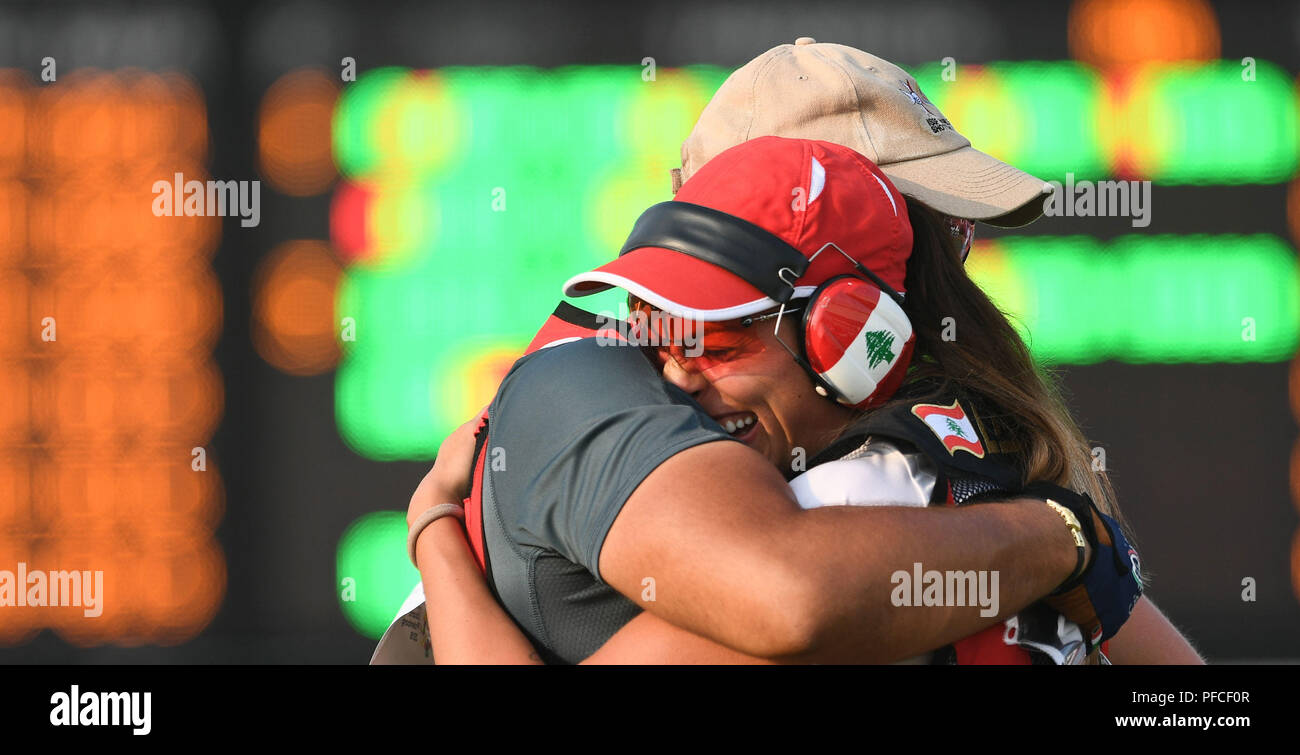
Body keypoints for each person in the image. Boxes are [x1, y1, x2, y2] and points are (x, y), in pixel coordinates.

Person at [404, 137, 1195, 664]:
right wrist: (1073, 539)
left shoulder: (876, 490)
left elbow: (792, 594)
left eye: (717, 335)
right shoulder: (961, 491)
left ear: (851, 337)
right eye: (662, 328)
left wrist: (437, 540)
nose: (676, 369)